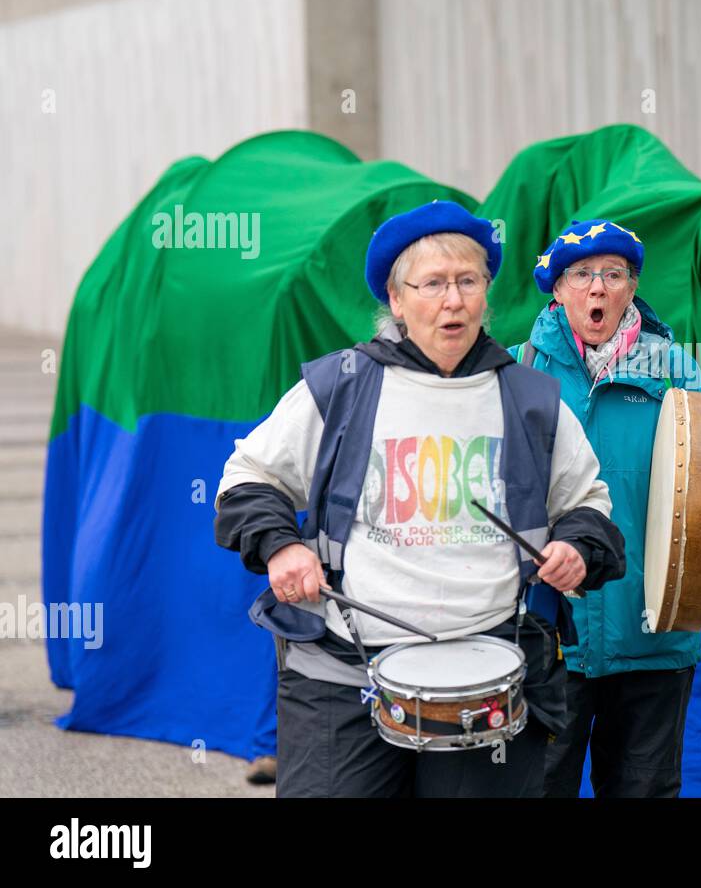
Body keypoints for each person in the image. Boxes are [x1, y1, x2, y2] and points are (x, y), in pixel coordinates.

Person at [214, 201, 625, 797]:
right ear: (397, 300)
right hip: (344, 668)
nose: (452, 300)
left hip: (492, 668)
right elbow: (248, 477)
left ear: (487, 293)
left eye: (468, 281)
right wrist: (281, 548)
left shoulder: (532, 398)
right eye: (432, 284)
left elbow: (587, 502)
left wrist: (577, 549)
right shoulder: (341, 387)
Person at [514, 218, 701, 797]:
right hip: (551, 639)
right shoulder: (522, 372)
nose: (598, 289)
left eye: (614, 275)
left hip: (653, 636)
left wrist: (699, 485)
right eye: (582, 275)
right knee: (538, 789)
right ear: (558, 289)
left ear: (631, 287)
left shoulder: (674, 369)